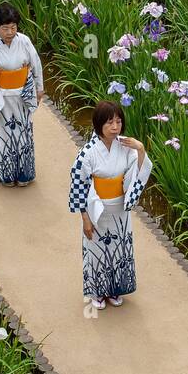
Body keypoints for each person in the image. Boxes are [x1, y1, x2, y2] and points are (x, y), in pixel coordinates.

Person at [68, 100, 151, 310]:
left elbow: (138, 172)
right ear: (98, 125)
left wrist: (140, 149)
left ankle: (115, 288)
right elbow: (79, 186)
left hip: (119, 208)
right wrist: (85, 219)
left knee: (119, 248)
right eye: (109, 123)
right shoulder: (87, 152)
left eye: (118, 121)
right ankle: (96, 290)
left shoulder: (125, 146)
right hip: (97, 209)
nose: (115, 127)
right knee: (96, 250)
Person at [0, 4, 44, 187]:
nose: (10, 32)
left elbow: (35, 64)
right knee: (3, 137)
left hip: (22, 96)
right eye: (5, 28)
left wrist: (39, 88)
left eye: (13, 27)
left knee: (24, 135)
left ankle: (24, 175)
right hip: (1, 99)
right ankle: (6, 175)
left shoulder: (25, 41)